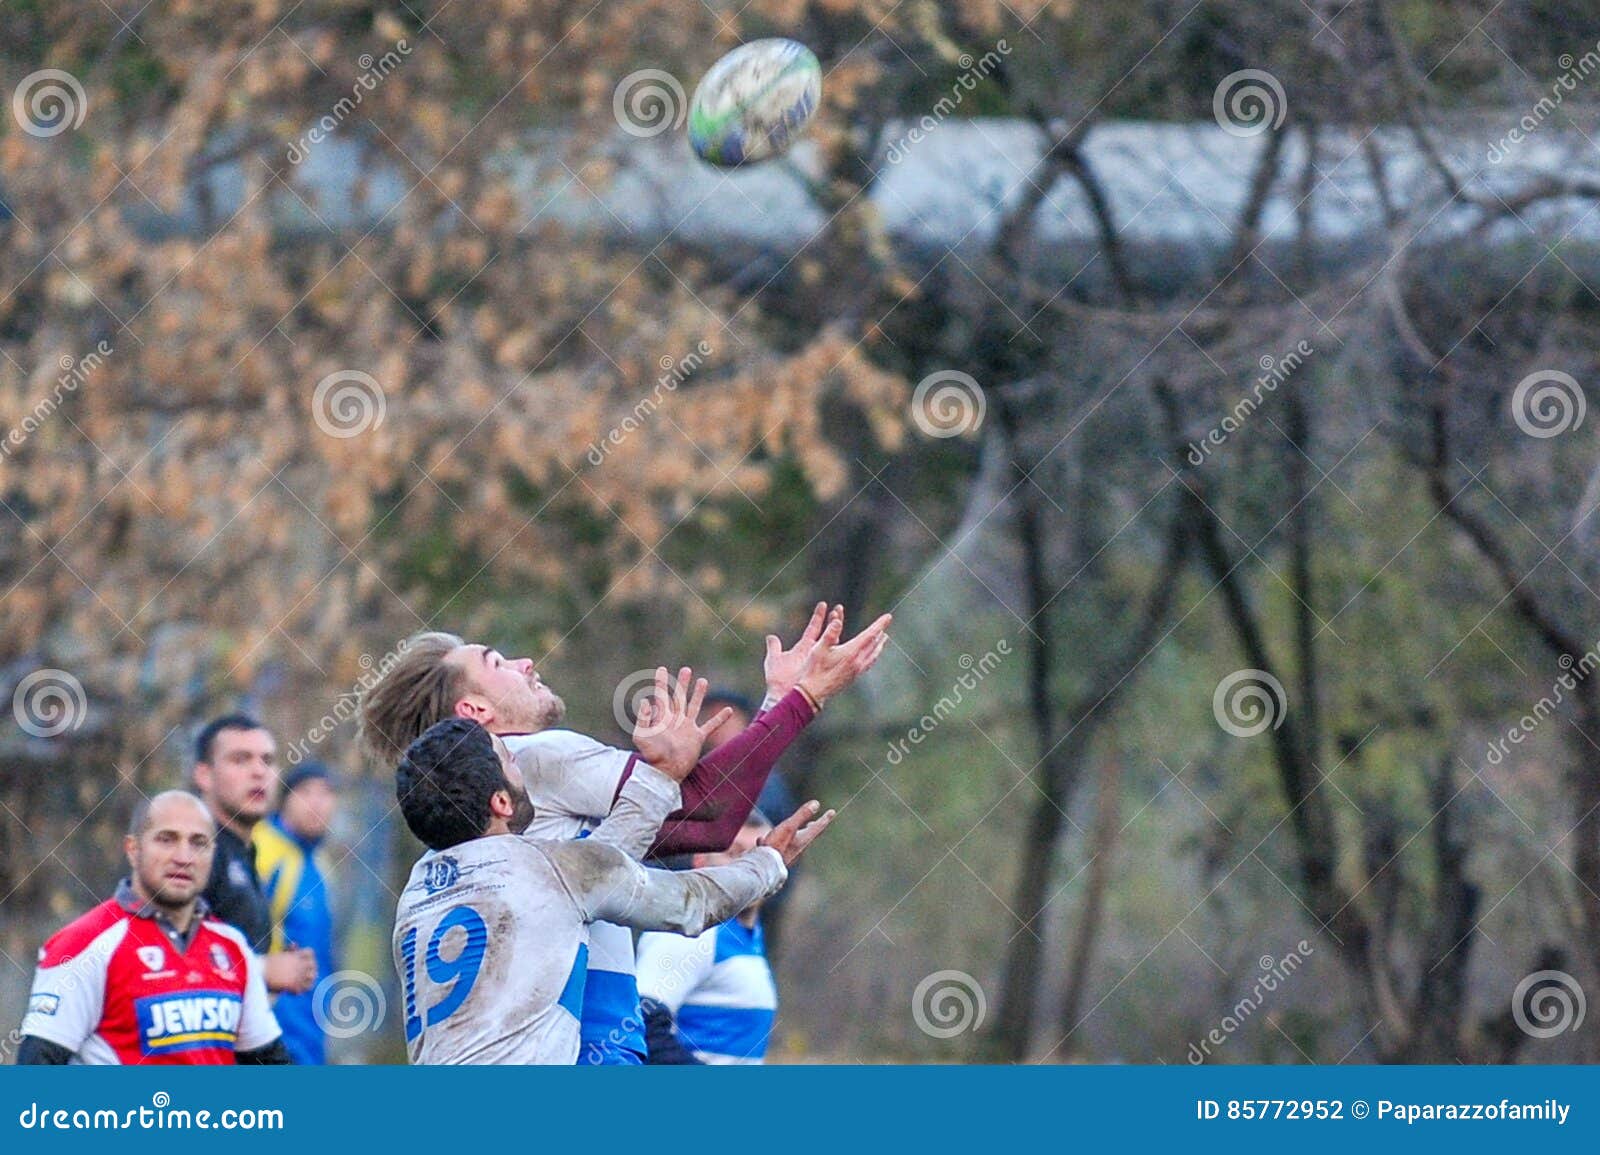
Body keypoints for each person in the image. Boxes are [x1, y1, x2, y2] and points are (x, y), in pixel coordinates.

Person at [360, 601, 889, 1064]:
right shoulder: (538, 756)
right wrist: (803, 700)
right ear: (476, 712)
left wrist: (774, 705)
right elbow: (709, 816)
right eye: (498, 663)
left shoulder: (442, 867)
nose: (525, 663)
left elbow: (671, 835)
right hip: (585, 1045)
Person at [391, 695, 834, 1063]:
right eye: (512, 759)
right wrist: (768, 863)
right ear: (502, 802)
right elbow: (686, 903)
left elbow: (603, 866)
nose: (523, 765)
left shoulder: (414, 897)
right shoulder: (548, 868)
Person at [16, 791, 289, 1065]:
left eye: (199, 843)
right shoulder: (83, 944)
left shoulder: (233, 947)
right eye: (166, 839)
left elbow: (270, 1065)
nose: (184, 857)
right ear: (133, 850)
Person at [192, 715, 319, 1001]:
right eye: (240, 759)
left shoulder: (244, 851)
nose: (259, 771)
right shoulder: (194, 850)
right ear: (204, 775)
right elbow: (160, 957)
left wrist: (284, 970)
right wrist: (262, 970)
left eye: (267, 760)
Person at [637, 810, 780, 1064]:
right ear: (700, 861)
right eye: (734, 854)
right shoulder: (689, 932)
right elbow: (641, 1027)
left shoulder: (748, 936)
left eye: (759, 857)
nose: (750, 869)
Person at [254, 760, 339, 1065]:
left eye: (326, 793)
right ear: (285, 798)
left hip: (312, 1027)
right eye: (306, 792)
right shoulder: (262, 851)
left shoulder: (321, 864)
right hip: (274, 1029)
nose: (317, 803)